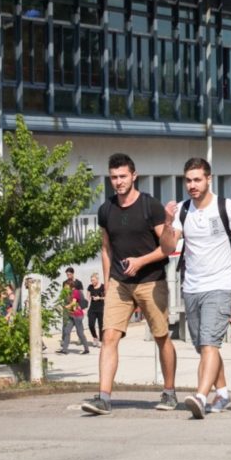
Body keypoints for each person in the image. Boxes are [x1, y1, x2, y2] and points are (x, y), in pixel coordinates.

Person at [159, 157, 231, 420]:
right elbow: (168, 248)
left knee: (209, 343)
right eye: (188, 180)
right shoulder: (182, 210)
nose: (192, 185)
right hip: (191, 286)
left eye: (197, 180)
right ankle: (223, 392)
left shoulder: (225, 207)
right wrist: (168, 222)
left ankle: (201, 396)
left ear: (208, 179)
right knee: (204, 346)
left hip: (221, 284)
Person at [81, 153, 176, 416]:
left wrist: (141, 261)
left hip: (150, 280)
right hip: (119, 284)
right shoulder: (106, 209)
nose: (118, 182)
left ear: (134, 176)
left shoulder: (150, 206)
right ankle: (103, 397)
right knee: (108, 336)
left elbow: (167, 248)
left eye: (123, 176)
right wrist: (108, 282)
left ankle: (169, 392)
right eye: (114, 177)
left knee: (161, 336)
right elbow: (106, 249)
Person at [58, 279, 90, 355]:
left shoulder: (75, 292)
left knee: (80, 333)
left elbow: (73, 303)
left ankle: (86, 349)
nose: (65, 287)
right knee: (67, 331)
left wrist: (65, 307)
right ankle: (64, 350)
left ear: (70, 285)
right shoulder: (68, 293)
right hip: (71, 315)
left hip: (78, 315)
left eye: (66, 286)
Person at [86, 273, 105, 346]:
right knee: (90, 324)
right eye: (91, 280)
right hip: (92, 309)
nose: (92, 282)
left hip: (101, 309)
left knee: (101, 325)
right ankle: (95, 337)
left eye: (93, 280)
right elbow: (87, 298)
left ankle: (101, 340)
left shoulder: (102, 287)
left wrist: (99, 298)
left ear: (97, 279)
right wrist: (85, 308)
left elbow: (106, 297)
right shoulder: (90, 287)